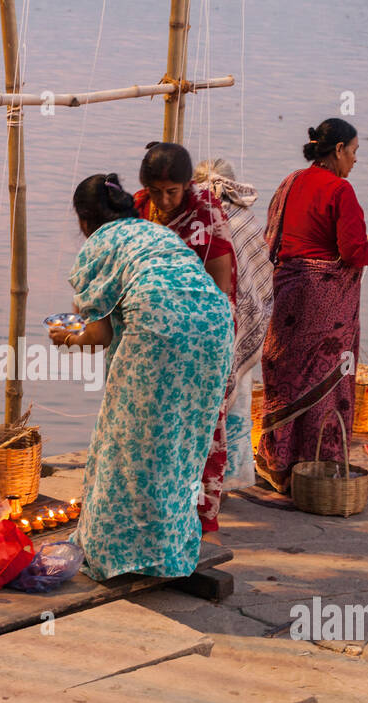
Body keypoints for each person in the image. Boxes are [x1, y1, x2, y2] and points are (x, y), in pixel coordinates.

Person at [50, 173, 232, 580]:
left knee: (126, 442)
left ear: (84, 220)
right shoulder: (153, 232)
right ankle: (165, 551)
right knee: (179, 445)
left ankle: (113, 554)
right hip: (216, 328)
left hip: (160, 331)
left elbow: (98, 332)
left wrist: (66, 336)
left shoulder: (98, 245)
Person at [256, 118, 368, 494]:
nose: (354, 161)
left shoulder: (291, 182)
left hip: (288, 290)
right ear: (337, 150)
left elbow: (276, 237)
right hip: (324, 300)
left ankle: (277, 461)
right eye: (353, 152)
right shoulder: (340, 190)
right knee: (325, 376)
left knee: (287, 372)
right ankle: (316, 461)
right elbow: (352, 252)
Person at [134, 142, 237, 536]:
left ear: (186, 185)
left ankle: (196, 523)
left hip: (201, 341)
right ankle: (155, 519)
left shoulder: (205, 215)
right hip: (155, 339)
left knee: (198, 427)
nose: (163, 201)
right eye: (157, 191)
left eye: (171, 192)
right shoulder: (140, 206)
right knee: (155, 427)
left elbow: (219, 288)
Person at [195, 157, 274, 491]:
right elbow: (261, 278)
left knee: (201, 408)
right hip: (236, 326)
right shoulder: (244, 219)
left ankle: (198, 483)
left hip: (201, 329)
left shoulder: (194, 221)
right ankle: (226, 481)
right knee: (235, 402)